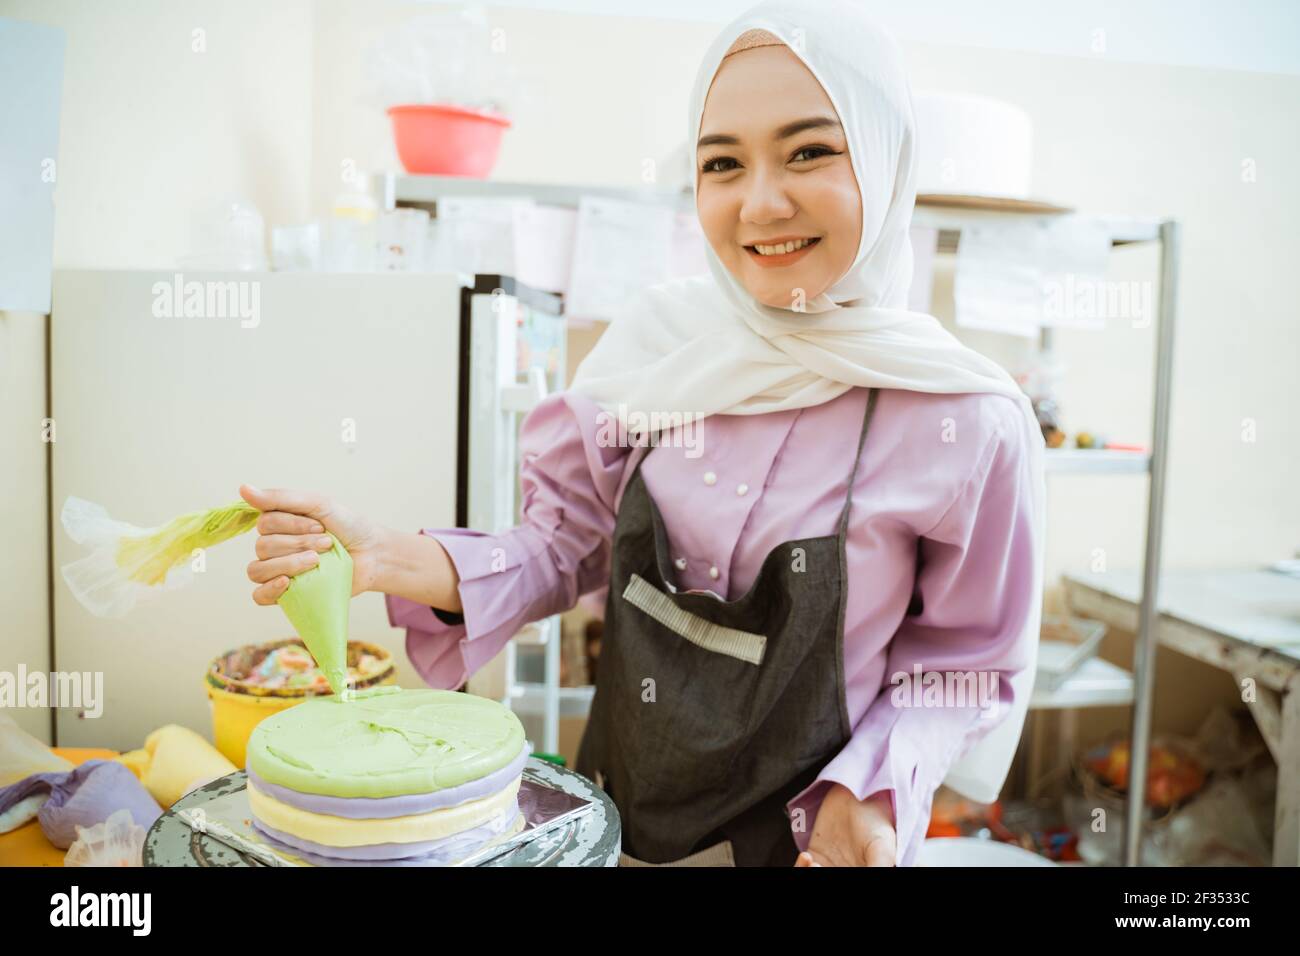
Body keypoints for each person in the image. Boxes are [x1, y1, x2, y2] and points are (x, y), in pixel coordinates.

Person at [240, 0, 1045, 868]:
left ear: (887, 162)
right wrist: (390, 558)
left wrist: (871, 794)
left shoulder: (963, 419)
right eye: (723, 163)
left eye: (810, 151)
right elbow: (560, 550)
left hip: (814, 846)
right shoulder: (660, 351)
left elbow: (963, 663)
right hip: (616, 823)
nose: (762, 203)